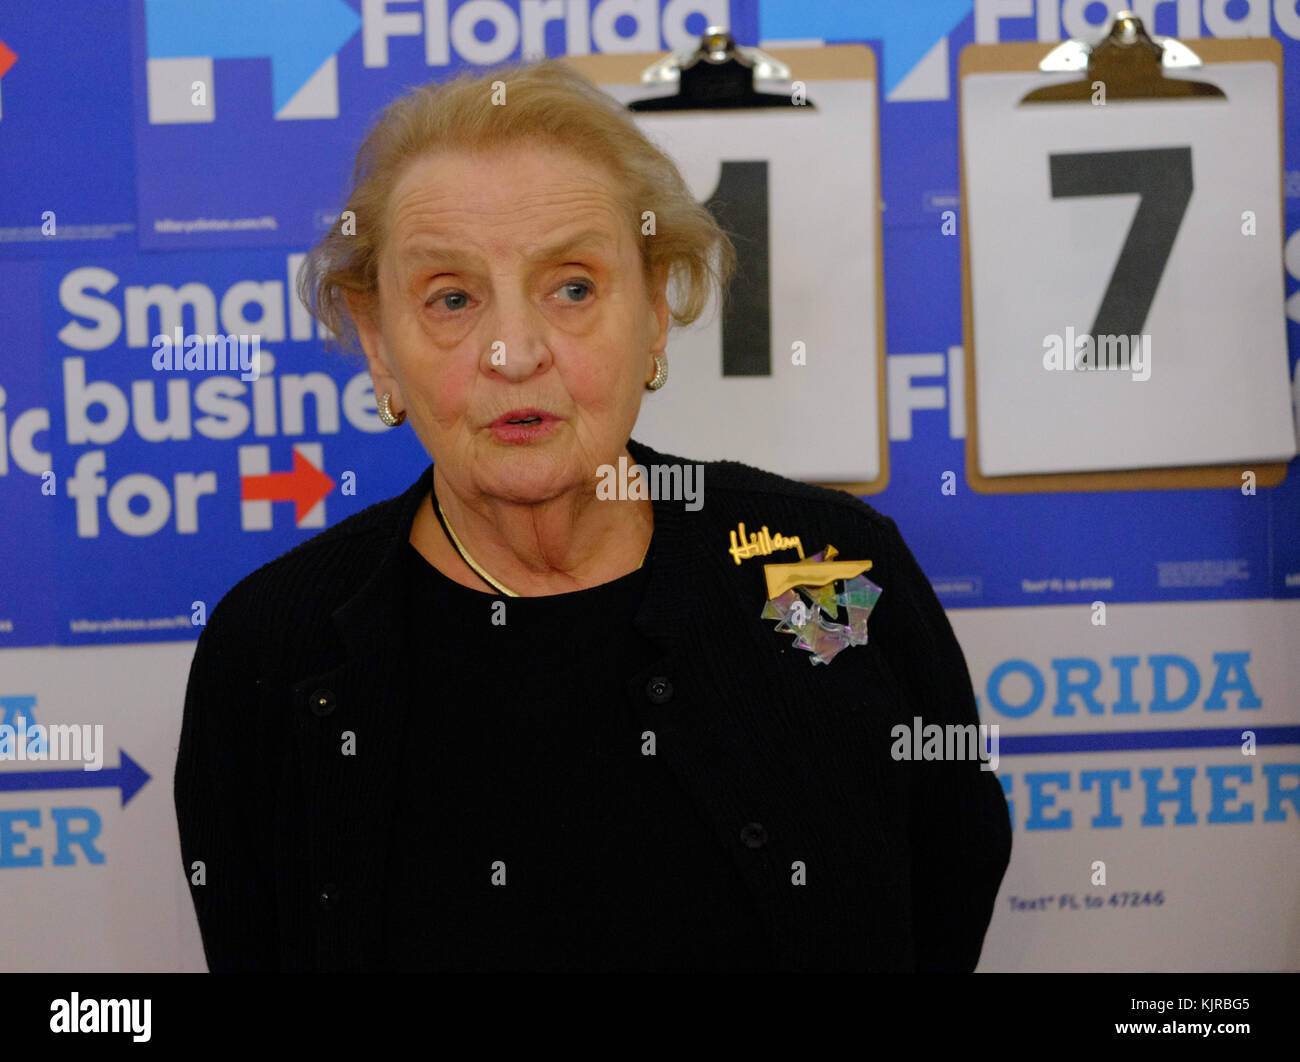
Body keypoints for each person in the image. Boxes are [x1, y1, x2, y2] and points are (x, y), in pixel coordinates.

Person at [174, 58, 1011, 972]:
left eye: (572, 287)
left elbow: (949, 862)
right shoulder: (276, 648)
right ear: (379, 343)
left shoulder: (813, 566)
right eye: (452, 299)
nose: (515, 352)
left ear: (655, 311)